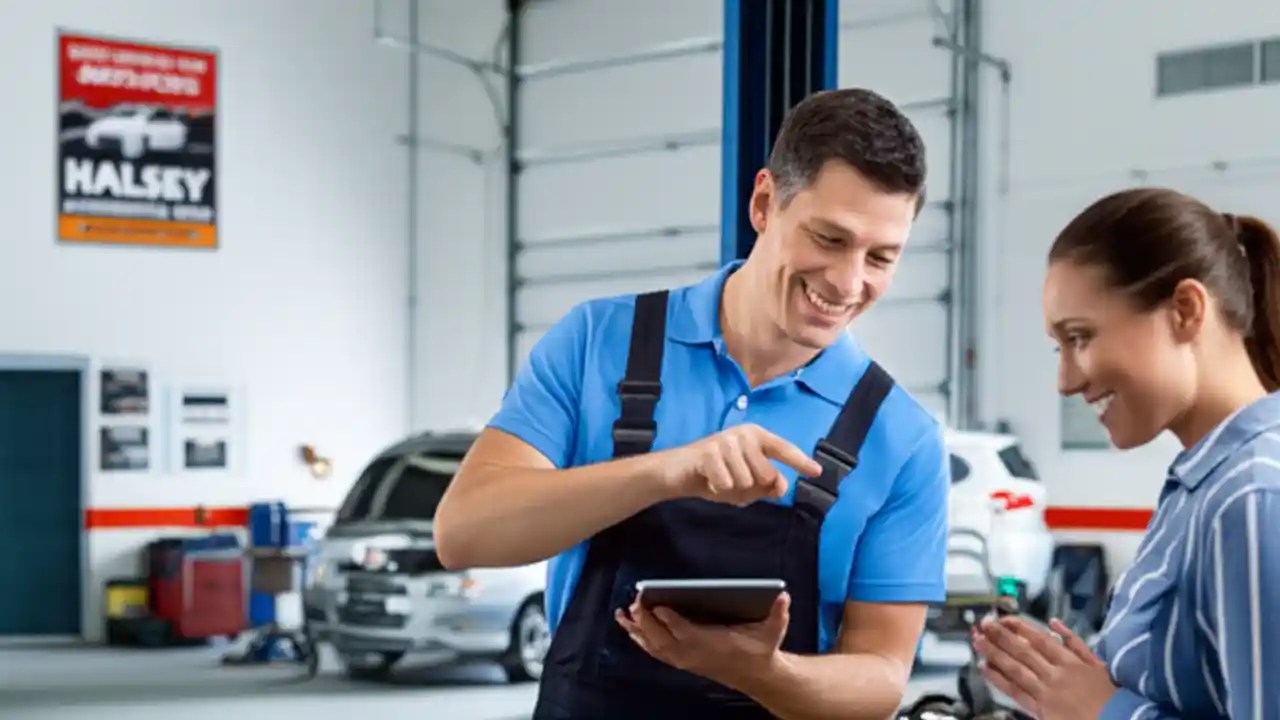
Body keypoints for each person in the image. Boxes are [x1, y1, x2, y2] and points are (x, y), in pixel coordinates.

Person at [434, 87, 951, 719]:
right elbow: (464, 533)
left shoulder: (902, 438)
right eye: (828, 238)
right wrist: (670, 471)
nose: (848, 282)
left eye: (880, 258)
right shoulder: (597, 342)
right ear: (764, 203)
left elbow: (880, 679)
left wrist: (763, 673)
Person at [974, 187, 1280, 719]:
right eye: (1059, 347)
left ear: (1185, 311)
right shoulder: (1201, 488)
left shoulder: (1253, 497)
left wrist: (1102, 710)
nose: (1066, 381)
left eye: (1080, 337)